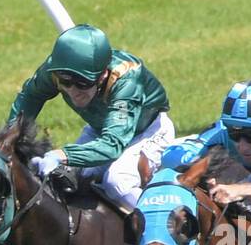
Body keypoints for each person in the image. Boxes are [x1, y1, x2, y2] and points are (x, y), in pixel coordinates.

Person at [9, 23, 173, 212]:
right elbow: (30, 96)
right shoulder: (55, 70)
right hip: (101, 130)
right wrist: (10, 138)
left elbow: (112, 145)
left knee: (117, 182)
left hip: (149, 131)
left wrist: (62, 155)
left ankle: (166, 227)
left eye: (82, 83)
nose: (73, 92)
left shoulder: (126, 81)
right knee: (67, 178)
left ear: (103, 75)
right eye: (65, 83)